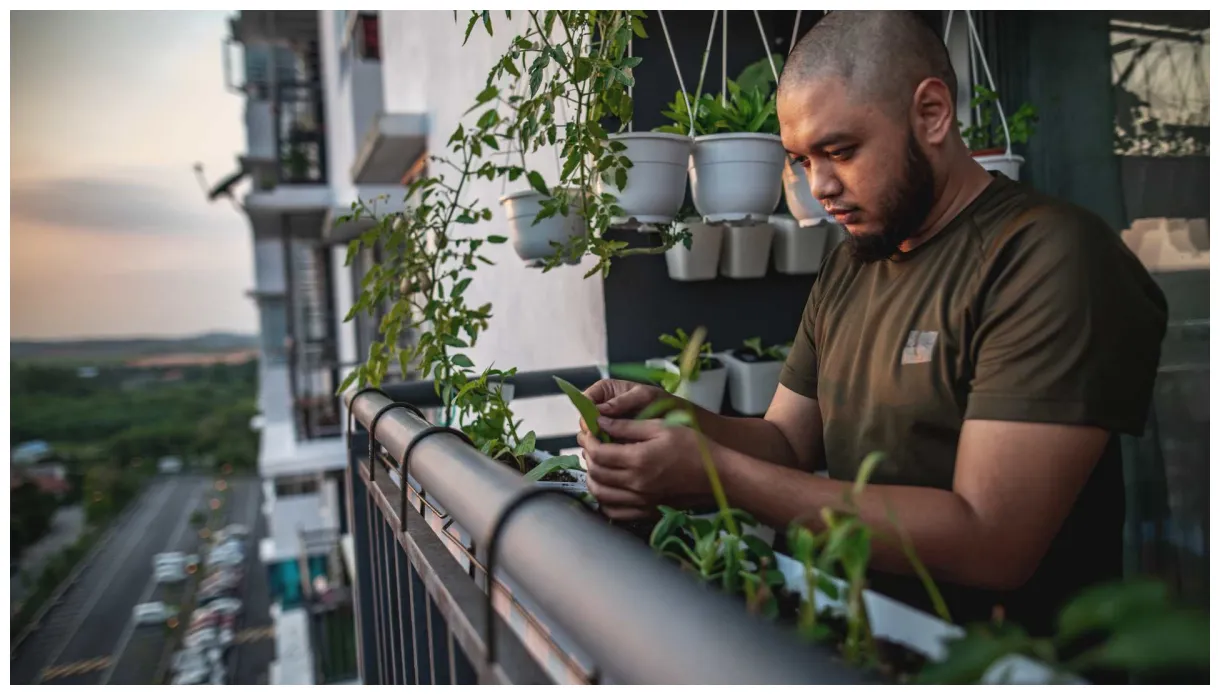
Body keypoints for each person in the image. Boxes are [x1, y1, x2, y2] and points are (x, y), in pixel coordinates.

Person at [575, 10, 1167, 636]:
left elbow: (992, 541)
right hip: (865, 641)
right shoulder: (853, 264)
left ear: (932, 113)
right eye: (800, 160)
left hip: (1006, 664)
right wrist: (668, 418)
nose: (819, 186)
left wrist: (715, 475)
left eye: (840, 151)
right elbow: (786, 443)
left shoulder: (1049, 257)